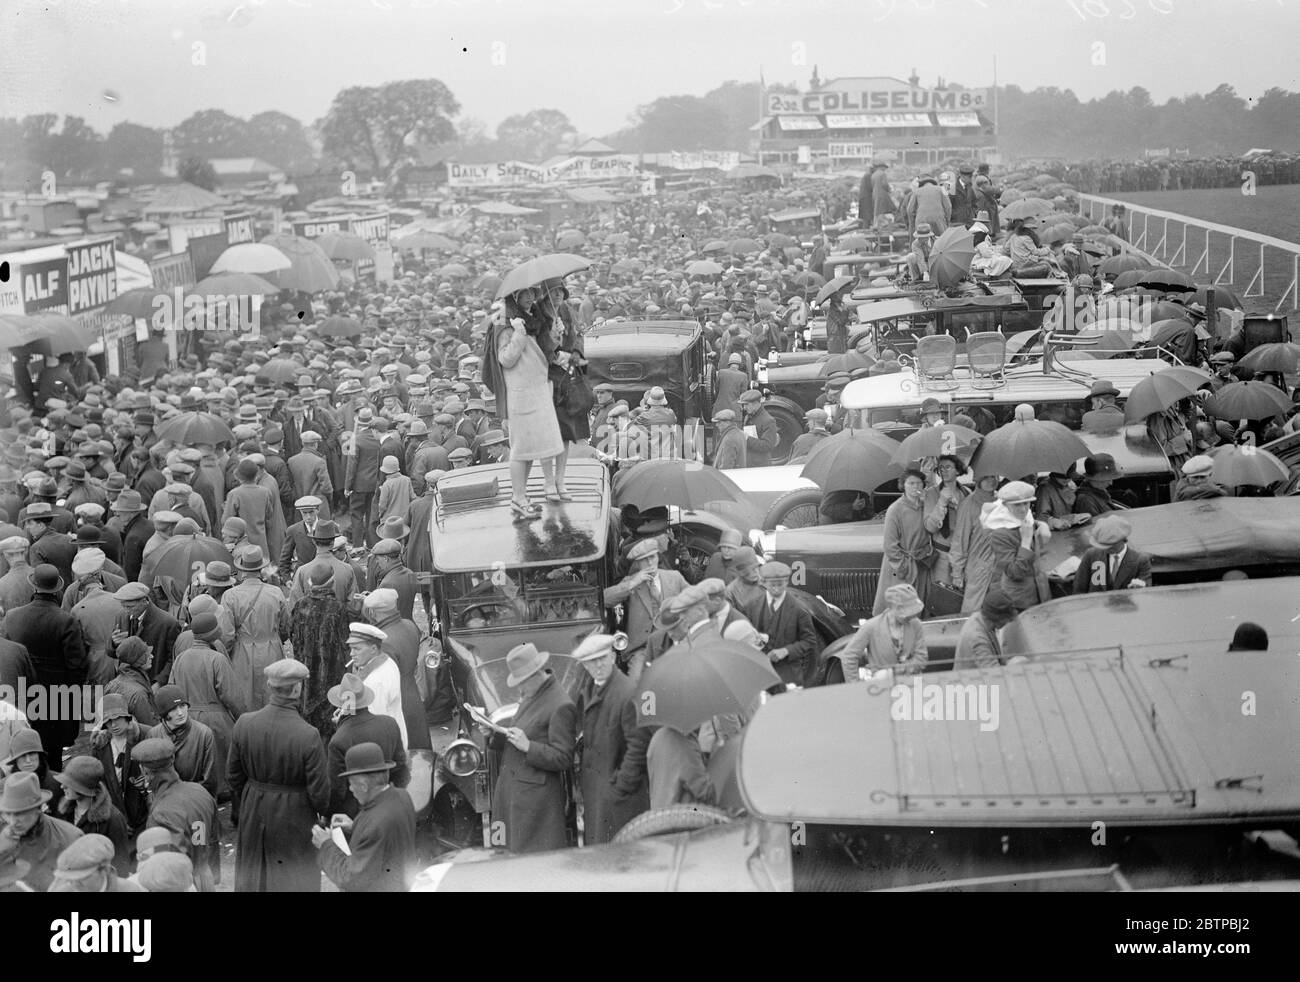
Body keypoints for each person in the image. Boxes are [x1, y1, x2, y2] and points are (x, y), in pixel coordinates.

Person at [227, 658, 331, 892]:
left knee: (254, 875)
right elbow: (320, 795)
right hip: (294, 815)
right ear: (297, 689)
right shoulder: (308, 734)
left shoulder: (244, 723)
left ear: (270, 687)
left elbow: (232, 776)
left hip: (253, 808)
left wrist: (252, 795)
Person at [492, 642, 578, 854]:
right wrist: (493, 735)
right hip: (517, 793)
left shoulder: (560, 705)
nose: (520, 689)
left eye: (521, 682)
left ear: (535, 674)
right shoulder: (534, 693)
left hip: (535, 803)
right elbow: (522, 731)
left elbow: (564, 757)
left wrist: (529, 747)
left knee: (532, 862)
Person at [2, 563, 87, 767]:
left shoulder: (13, 616)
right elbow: (77, 666)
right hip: (59, 696)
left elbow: (8, 653)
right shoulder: (66, 620)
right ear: (57, 589)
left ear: (34, 587)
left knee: (25, 748)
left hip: (23, 693)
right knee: (54, 752)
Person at [494, 288, 568, 518]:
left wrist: (557, 335)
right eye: (524, 294)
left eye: (532, 293)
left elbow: (547, 353)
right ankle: (517, 497)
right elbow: (505, 359)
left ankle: (522, 497)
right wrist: (518, 333)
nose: (530, 297)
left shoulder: (535, 319)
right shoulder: (507, 322)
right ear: (514, 297)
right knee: (520, 450)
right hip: (521, 394)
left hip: (538, 390)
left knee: (530, 450)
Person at [570, 633, 649, 845]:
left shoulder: (627, 692)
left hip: (619, 799)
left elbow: (638, 747)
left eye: (603, 658)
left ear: (613, 657)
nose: (598, 665)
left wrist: (619, 788)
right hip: (600, 794)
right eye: (591, 661)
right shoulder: (589, 690)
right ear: (584, 666)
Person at [312, 741, 417, 892]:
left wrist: (325, 845)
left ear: (363, 785)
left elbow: (350, 878)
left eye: (351, 784)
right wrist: (355, 825)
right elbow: (387, 840)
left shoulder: (376, 823)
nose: (350, 789)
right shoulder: (402, 796)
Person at [133, 736, 220, 892]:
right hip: (205, 875)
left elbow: (166, 867)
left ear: (146, 772)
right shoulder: (199, 791)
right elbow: (212, 838)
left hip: (182, 883)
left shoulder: (162, 813)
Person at [168, 612, 239, 801]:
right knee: (219, 761)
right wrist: (242, 717)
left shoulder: (180, 658)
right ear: (213, 634)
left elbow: (171, 691)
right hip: (215, 717)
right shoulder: (217, 659)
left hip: (186, 716)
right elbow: (231, 696)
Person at [325, 674, 410, 819]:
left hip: (356, 814)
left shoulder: (338, 740)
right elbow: (400, 765)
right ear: (365, 700)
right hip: (388, 804)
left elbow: (337, 791)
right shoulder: (390, 723)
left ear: (341, 704)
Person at [222, 545, 290, 715]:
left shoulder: (230, 596)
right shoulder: (276, 592)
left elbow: (227, 636)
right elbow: (286, 628)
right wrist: (274, 640)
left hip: (242, 653)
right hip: (272, 649)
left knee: (245, 702)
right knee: (274, 699)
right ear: (261, 569)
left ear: (242, 570)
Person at [603, 537, 688, 667]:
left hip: (673, 644)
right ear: (637, 564)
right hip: (642, 650)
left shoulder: (674, 577)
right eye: (644, 560)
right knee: (636, 683)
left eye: (652, 557)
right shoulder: (631, 581)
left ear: (658, 557)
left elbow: (696, 599)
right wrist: (632, 583)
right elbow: (604, 599)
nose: (649, 563)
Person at [363, 588, 429, 751]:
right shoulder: (409, 625)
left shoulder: (383, 641)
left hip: (396, 700)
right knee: (420, 749)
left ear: (373, 612)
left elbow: (381, 677)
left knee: (401, 748)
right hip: (413, 694)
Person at [0, 770, 83, 892]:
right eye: (8, 813)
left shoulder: (71, 838)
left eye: (20, 813)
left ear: (38, 808)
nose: (13, 822)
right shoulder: (3, 839)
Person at [745, 561, 819, 689]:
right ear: (763, 582)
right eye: (772, 585)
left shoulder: (799, 609)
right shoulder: (751, 606)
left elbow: (810, 641)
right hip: (760, 674)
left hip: (789, 676)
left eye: (780, 584)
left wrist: (786, 651)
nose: (776, 588)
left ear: (787, 582)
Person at [53, 756, 131, 877]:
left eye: (69, 783)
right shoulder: (64, 811)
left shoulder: (113, 819)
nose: (62, 786)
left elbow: (121, 865)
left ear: (82, 788)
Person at [982, 480, 1053, 614]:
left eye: (1026, 503)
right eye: (1016, 505)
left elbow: (1030, 520)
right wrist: (1025, 541)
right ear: (1005, 506)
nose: (1023, 509)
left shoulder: (1027, 519)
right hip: (1019, 601)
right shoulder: (999, 533)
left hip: (1040, 592)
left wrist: (1043, 525)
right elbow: (1015, 573)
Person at [873, 469, 935, 616]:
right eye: (911, 483)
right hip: (902, 566)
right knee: (900, 608)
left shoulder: (925, 505)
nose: (915, 487)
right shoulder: (895, 509)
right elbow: (890, 545)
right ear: (903, 486)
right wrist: (903, 567)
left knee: (919, 605)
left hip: (922, 562)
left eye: (919, 483)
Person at [840, 583, 928, 681]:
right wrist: (855, 685)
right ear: (894, 608)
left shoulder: (915, 624)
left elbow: (921, 658)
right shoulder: (871, 626)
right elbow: (848, 656)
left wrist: (892, 672)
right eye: (907, 611)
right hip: (881, 689)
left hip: (910, 687)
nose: (912, 615)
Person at [148, 685, 219, 801]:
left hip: (196, 801)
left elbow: (210, 781)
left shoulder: (204, 734)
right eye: (173, 709)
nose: (180, 713)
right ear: (164, 713)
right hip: (166, 802)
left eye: (183, 706)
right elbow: (152, 777)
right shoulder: (153, 735)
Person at [345, 622, 406, 747]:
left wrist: (344, 721)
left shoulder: (375, 683)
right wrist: (345, 711)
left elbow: (373, 722)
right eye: (351, 648)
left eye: (357, 649)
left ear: (373, 649)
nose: (351, 654)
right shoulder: (386, 661)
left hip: (381, 748)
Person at [111, 580, 181, 686]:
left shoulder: (167, 623)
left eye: (130, 607)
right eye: (123, 606)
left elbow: (174, 658)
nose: (126, 611)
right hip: (128, 681)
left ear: (144, 601)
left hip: (151, 682)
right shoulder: (121, 616)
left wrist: (160, 681)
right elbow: (111, 652)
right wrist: (114, 643)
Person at [950, 473, 999, 612]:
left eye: (994, 476)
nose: (991, 480)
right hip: (978, 567)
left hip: (999, 566)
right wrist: (957, 573)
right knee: (972, 612)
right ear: (977, 479)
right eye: (987, 476)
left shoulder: (1001, 501)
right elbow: (960, 541)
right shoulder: (968, 505)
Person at [1073, 514, 1151, 593]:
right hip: (1095, 604)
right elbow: (1079, 589)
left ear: (1122, 540)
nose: (1105, 549)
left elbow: (1147, 592)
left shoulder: (1140, 560)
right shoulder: (1091, 555)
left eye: (1110, 545)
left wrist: (1141, 586)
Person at [48, 832, 146, 893]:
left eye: (81, 877)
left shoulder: (129, 890)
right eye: (69, 878)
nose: (74, 883)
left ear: (104, 870)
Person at [924, 454, 969, 586]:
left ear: (958, 470)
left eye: (948, 467)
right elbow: (929, 527)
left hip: (963, 554)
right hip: (942, 554)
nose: (943, 471)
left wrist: (957, 509)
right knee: (944, 595)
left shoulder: (966, 493)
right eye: (941, 468)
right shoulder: (932, 493)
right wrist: (942, 502)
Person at [953, 586, 1018, 670]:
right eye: (1007, 619)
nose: (1008, 622)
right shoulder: (978, 639)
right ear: (998, 618)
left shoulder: (979, 617)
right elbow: (993, 675)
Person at [737, 389, 780, 467]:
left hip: (760, 466)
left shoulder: (768, 421)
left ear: (756, 403)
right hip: (748, 462)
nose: (744, 408)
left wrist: (746, 438)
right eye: (743, 405)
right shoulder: (748, 416)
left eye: (747, 404)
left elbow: (767, 446)